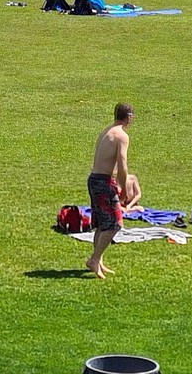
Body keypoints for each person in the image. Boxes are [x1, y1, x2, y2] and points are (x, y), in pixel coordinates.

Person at [86, 102, 133, 279]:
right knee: (114, 224)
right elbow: (122, 166)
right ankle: (94, 259)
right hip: (103, 183)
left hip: (94, 180)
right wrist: (125, 189)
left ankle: (99, 261)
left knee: (101, 224)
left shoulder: (107, 131)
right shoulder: (121, 136)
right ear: (129, 117)